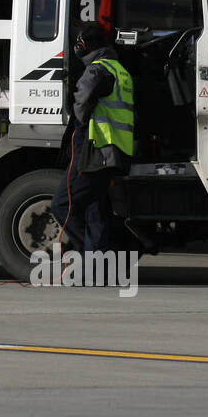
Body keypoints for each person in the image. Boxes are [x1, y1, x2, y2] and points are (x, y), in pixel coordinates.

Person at [50, 21, 134, 253]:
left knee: (61, 205)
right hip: (115, 152)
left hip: (95, 151)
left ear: (83, 46)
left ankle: (90, 258)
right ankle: (100, 266)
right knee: (94, 211)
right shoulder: (120, 70)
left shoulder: (97, 69)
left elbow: (80, 107)